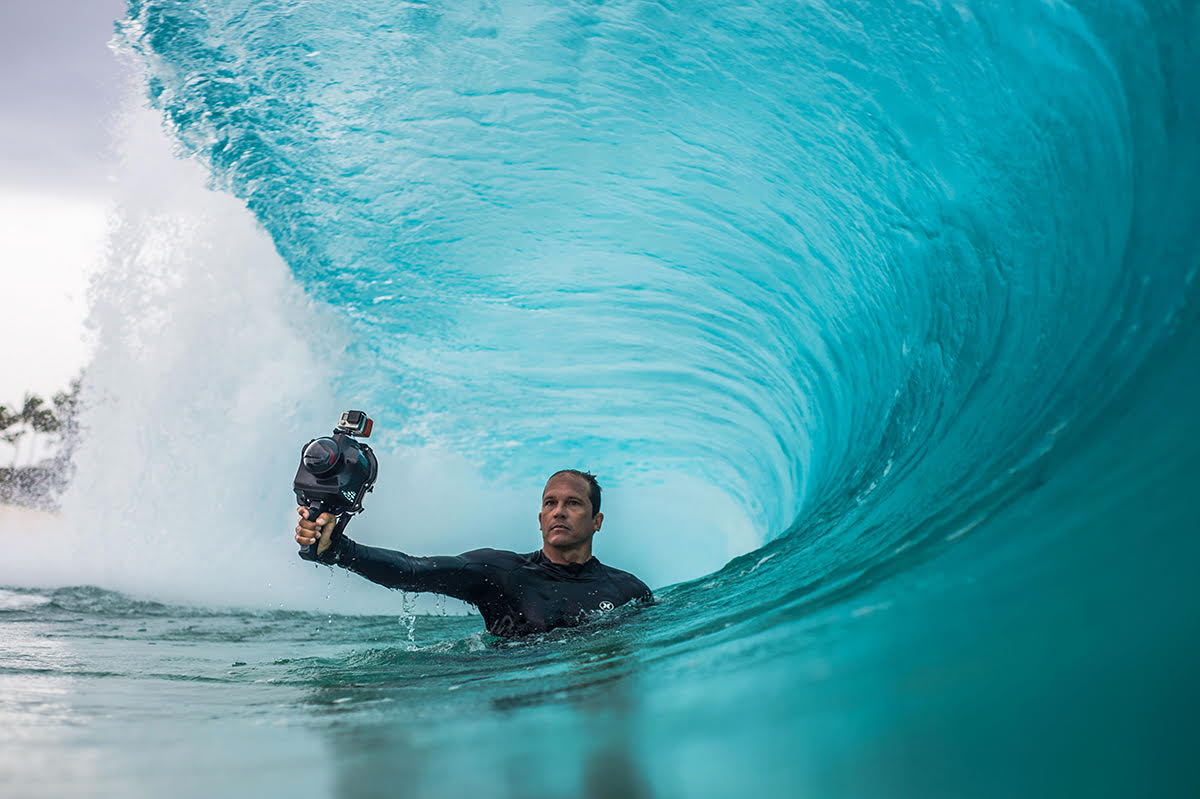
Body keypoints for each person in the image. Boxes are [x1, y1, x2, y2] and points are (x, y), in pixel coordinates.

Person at [294, 469, 652, 637]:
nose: (559, 512)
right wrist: (339, 549)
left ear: (597, 521)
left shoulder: (628, 590)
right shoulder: (502, 573)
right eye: (550, 503)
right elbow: (415, 571)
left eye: (573, 503)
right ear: (540, 519)